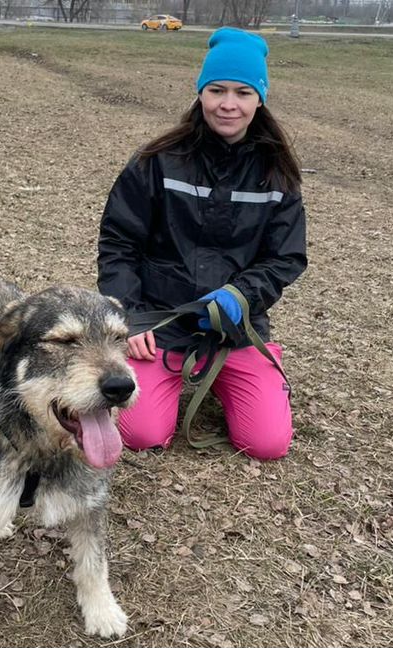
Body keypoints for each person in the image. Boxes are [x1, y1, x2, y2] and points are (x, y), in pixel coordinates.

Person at [97, 27, 307, 461]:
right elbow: (118, 244)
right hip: (160, 323)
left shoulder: (278, 174)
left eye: (243, 92)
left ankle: (257, 367)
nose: (228, 104)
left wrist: (241, 296)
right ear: (200, 93)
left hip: (235, 327)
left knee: (267, 444)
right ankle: (168, 373)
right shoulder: (155, 161)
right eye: (216, 90)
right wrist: (132, 319)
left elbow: (286, 256)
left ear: (259, 99)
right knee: (142, 434)